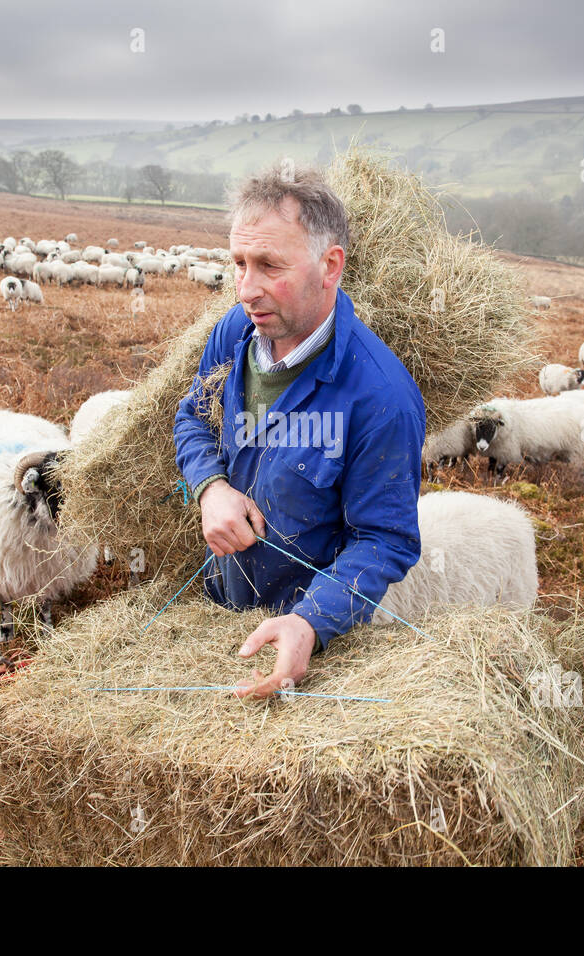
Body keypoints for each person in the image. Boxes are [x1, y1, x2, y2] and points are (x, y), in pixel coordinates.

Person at [173, 166, 425, 699]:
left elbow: (385, 540)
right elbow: (193, 415)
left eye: (269, 266)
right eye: (239, 264)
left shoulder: (382, 399)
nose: (246, 289)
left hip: (316, 642)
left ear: (330, 265)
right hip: (219, 615)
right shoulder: (236, 332)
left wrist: (310, 622)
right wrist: (211, 488)